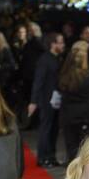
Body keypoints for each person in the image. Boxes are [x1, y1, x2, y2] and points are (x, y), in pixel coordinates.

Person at [27, 31, 64, 167]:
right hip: (46, 99)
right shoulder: (44, 59)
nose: (63, 45)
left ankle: (51, 156)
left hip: (56, 100)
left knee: (54, 129)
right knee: (46, 129)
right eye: (60, 42)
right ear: (53, 44)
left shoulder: (57, 58)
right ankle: (43, 158)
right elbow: (38, 81)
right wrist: (33, 101)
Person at [57, 41, 89, 163]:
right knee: (83, 144)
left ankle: (71, 167)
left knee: (70, 144)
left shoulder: (63, 75)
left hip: (68, 114)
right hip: (84, 115)